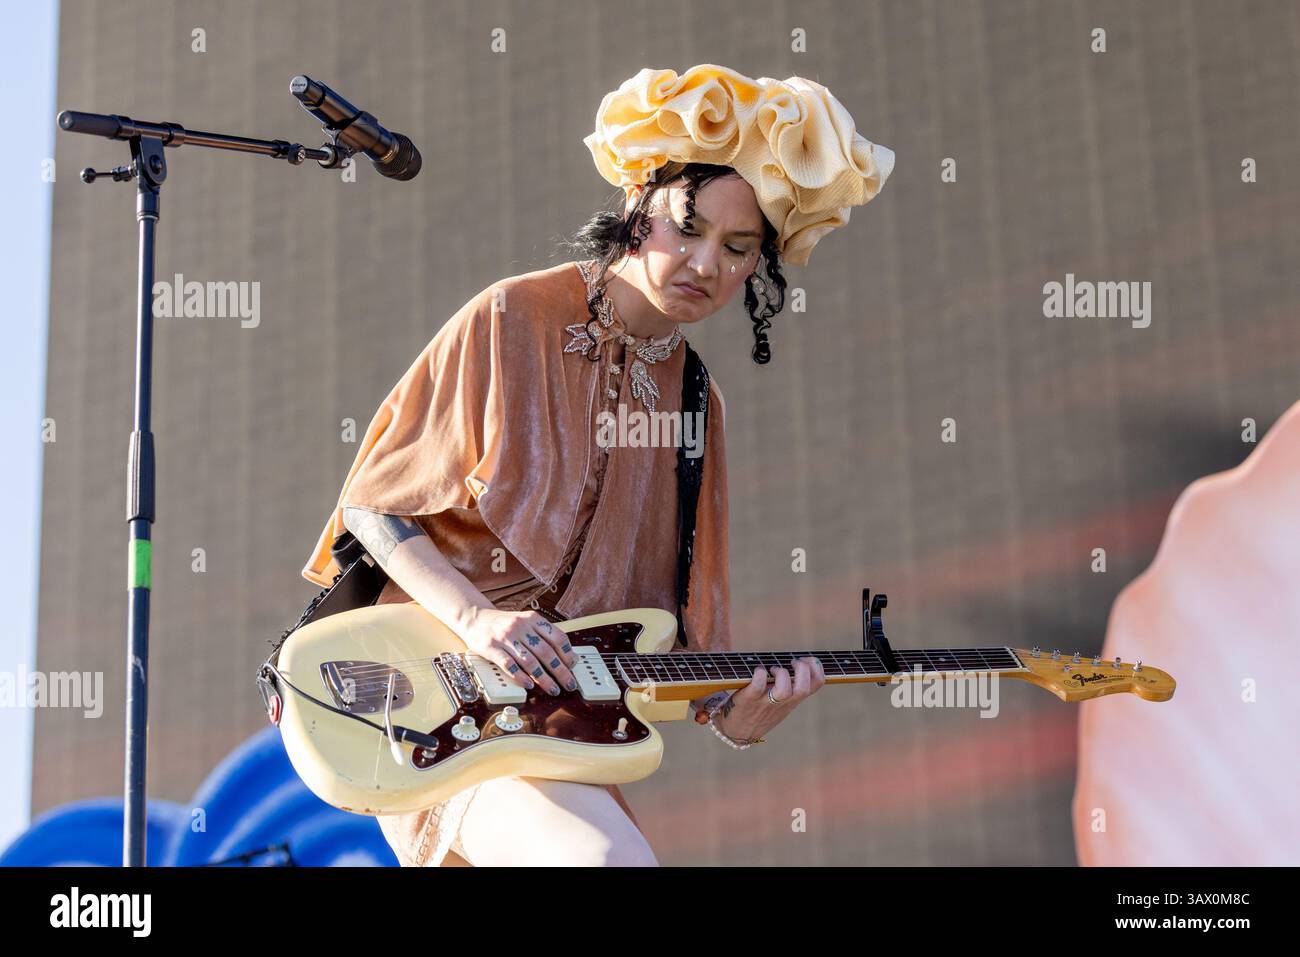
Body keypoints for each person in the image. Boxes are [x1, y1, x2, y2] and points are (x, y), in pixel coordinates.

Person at [300, 63, 894, 866]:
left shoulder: (696, 407)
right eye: (686, 227)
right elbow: (375, 506)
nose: (705, 263)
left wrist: (736, 717)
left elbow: (682, 650)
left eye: (737, 248)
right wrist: (479, 619)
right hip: (436, 695)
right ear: (635, 208)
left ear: (759, 266)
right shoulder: (512, 316)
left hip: (558, 727)